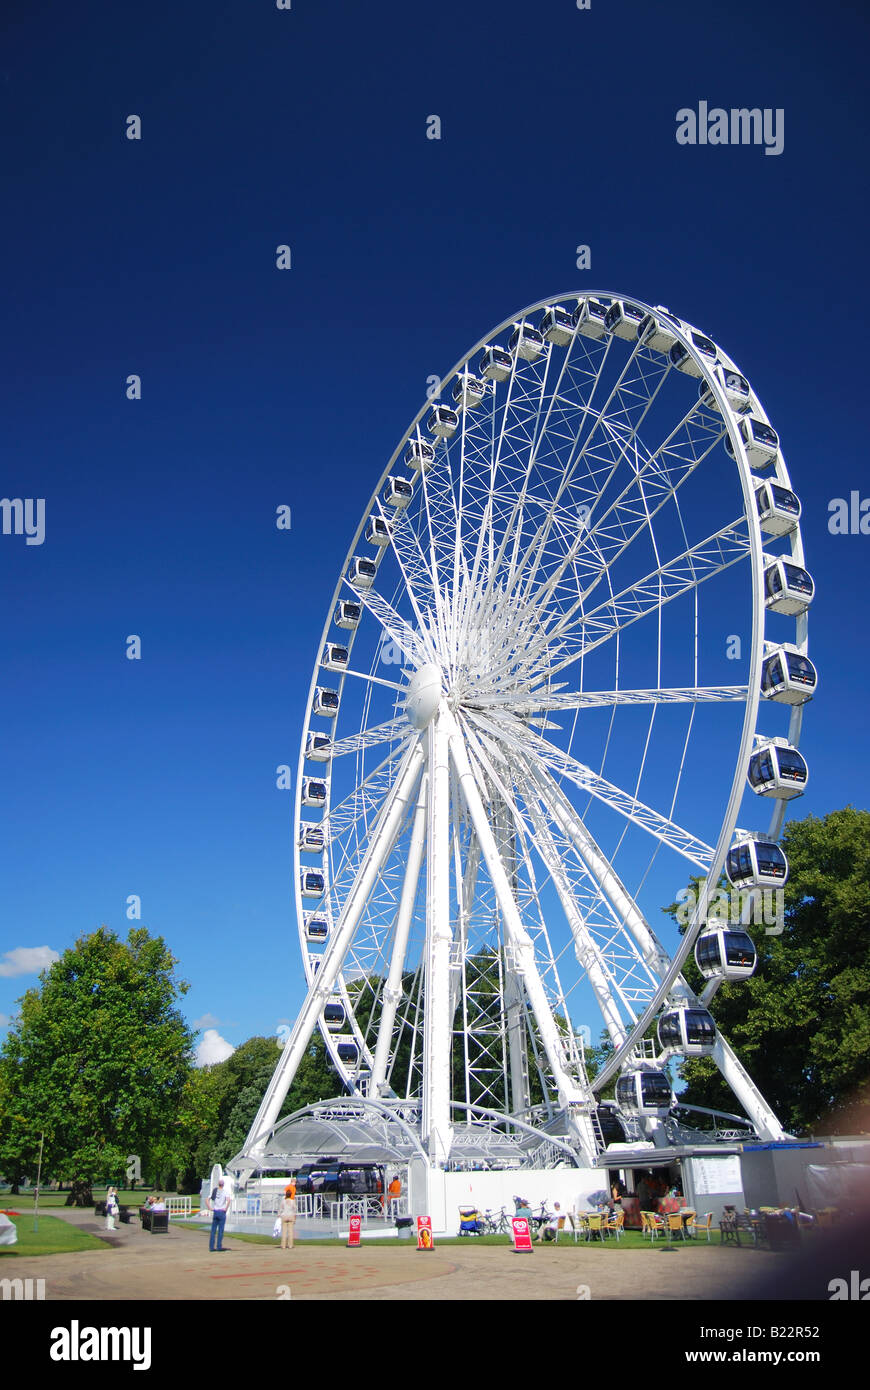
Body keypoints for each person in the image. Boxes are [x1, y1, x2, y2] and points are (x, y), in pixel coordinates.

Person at [207, 1179, 230, 1252]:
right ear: (223, 1185)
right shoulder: (225, 1192)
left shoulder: (215, 1191)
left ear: (218, 1184)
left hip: (216, 1211)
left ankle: (211, 1247)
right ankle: (219, 1246)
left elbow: (207, 1199)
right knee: (220, 1230)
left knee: (213, 1230)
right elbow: (228, 1200)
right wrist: (226, 1208)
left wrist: (210, 1208)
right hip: (221, 1211)